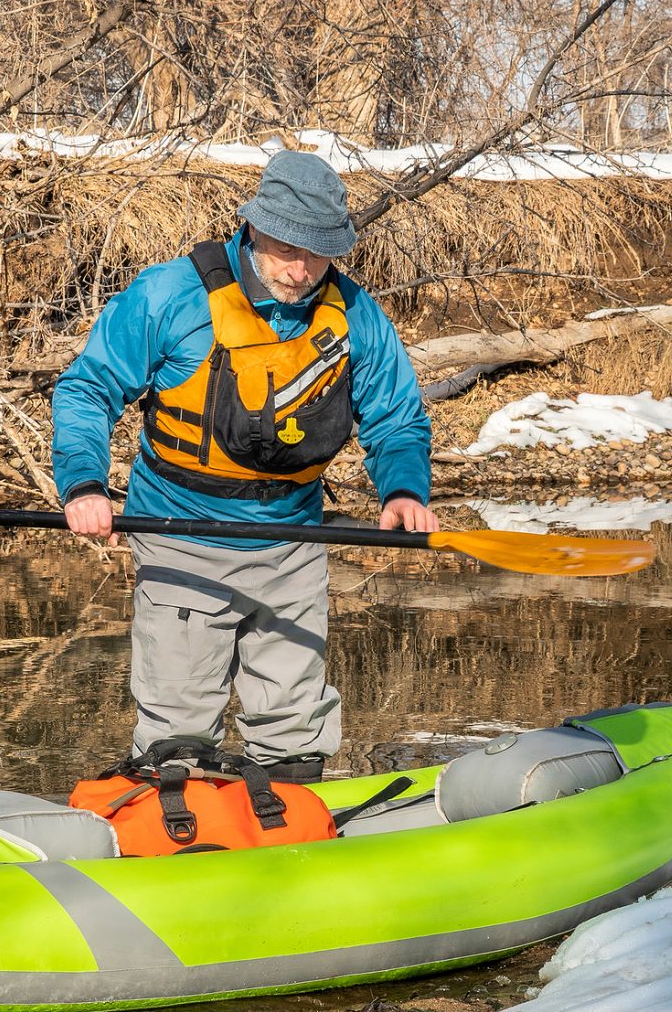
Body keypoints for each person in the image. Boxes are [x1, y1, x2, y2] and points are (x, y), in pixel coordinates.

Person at [50, 150, 437, 781]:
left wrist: (401, 490)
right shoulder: (170, 295)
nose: (301, 268)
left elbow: (395, 417)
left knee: (294, 727)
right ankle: (173, 825)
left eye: (317, 252)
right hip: (182, 537)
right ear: (253, 226)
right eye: (288, 247)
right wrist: (85, 484)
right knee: (178, 729)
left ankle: (288, 824)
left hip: (293, 542)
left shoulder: (355, 315)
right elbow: (86, 390)